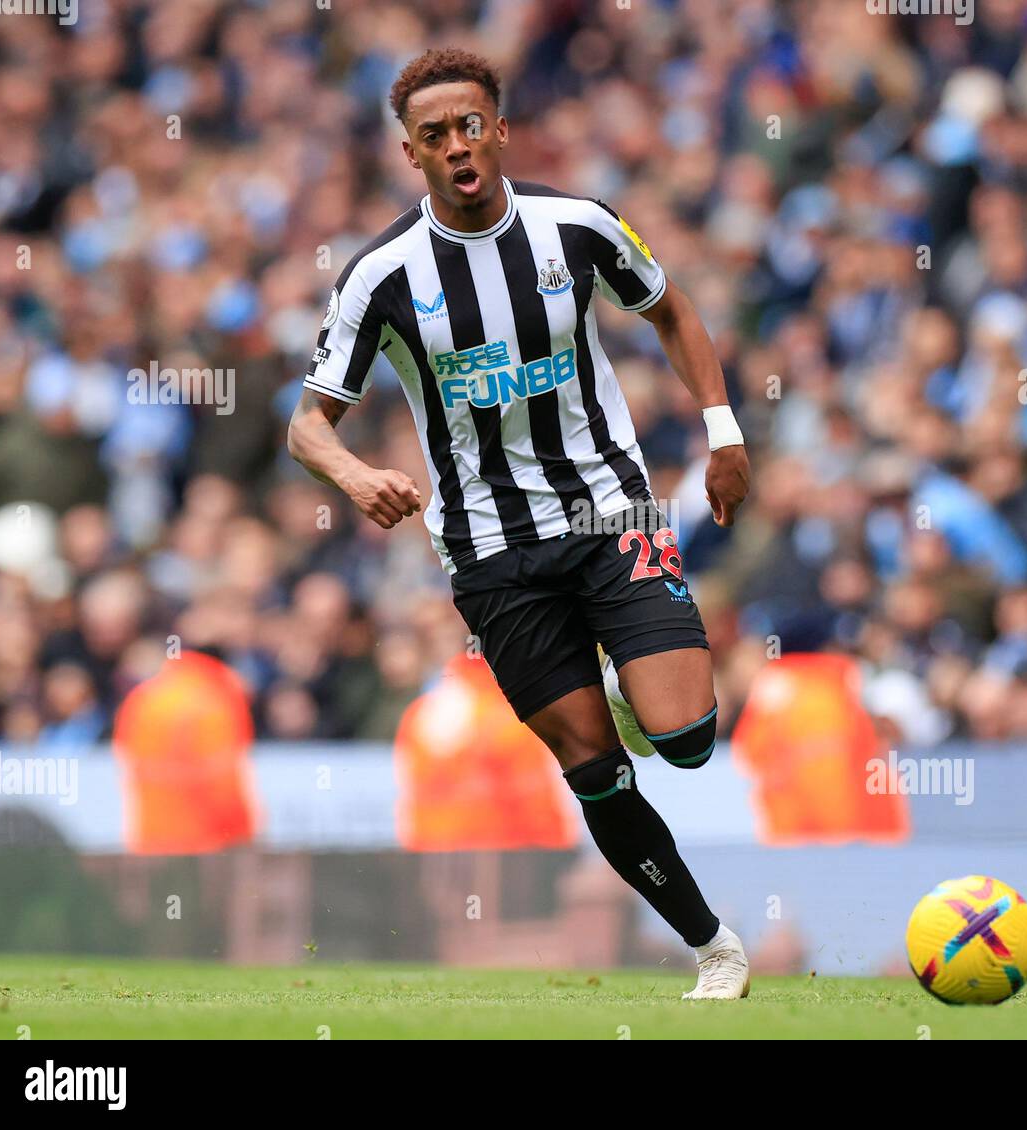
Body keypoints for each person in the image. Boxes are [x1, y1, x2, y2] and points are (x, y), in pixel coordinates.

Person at [286, 47, 752, 999]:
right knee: (593, 767)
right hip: (488, 551)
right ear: (409, 154)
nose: (456, 145)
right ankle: (715, 949)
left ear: (498, 129)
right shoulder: (380, 276)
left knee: (691, 740)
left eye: (469, 125)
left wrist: (723, 427)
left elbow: (672, 311)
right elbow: (306, 423)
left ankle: (634, 687)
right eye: (433, 135)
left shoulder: (577, 227)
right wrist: (355, 471)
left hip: (608, 508)